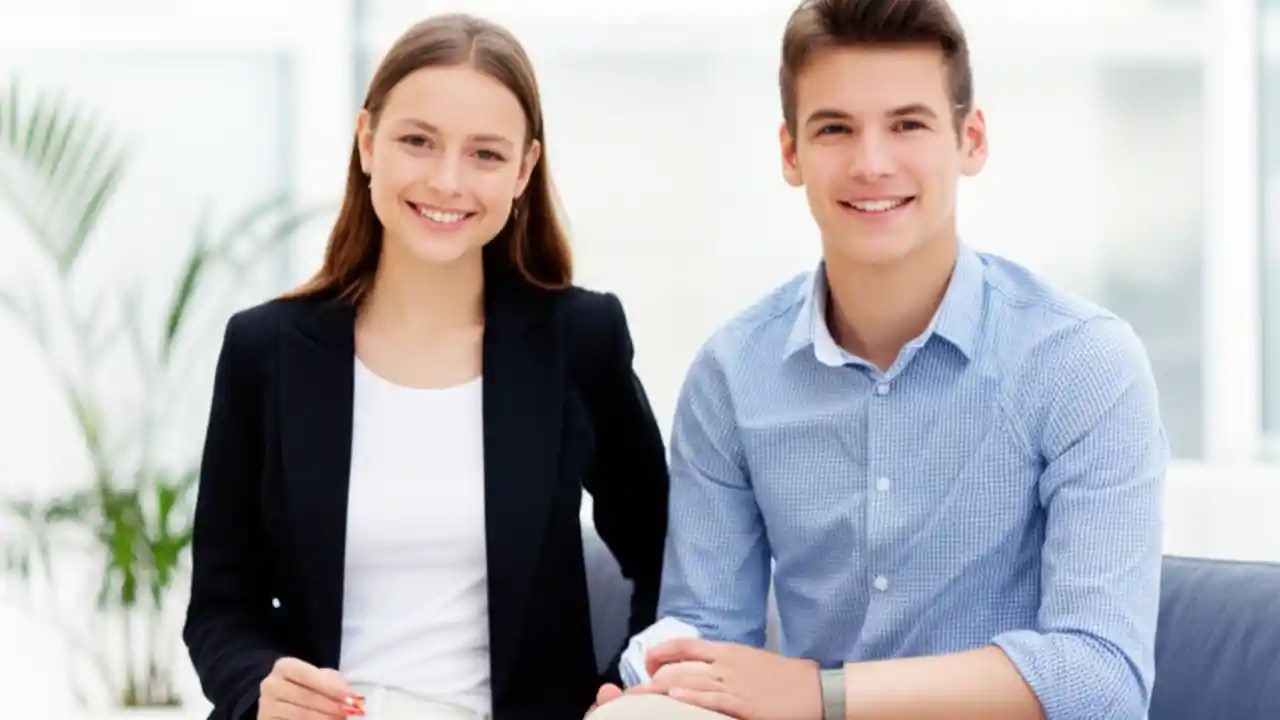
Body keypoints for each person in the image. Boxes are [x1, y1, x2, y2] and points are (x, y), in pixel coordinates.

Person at [591, 0, 1168, 718]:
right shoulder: (733, 373)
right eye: (835, 129)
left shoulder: (1082, 363)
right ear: (790, 152)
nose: (871, 163)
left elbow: (1098, 675)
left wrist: (822, 694)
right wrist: (660, 686)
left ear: (971, 139)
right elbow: (708, 629)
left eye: (908, 124)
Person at [182, 13, 670, 720]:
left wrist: (622, 691)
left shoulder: (578, 340)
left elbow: (670, 557)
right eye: (418, 141)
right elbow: (222, 608)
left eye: (485, 154)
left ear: (524, 169)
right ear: (366, 141)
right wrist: (260, 687)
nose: (447, 181)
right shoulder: (268, 349)